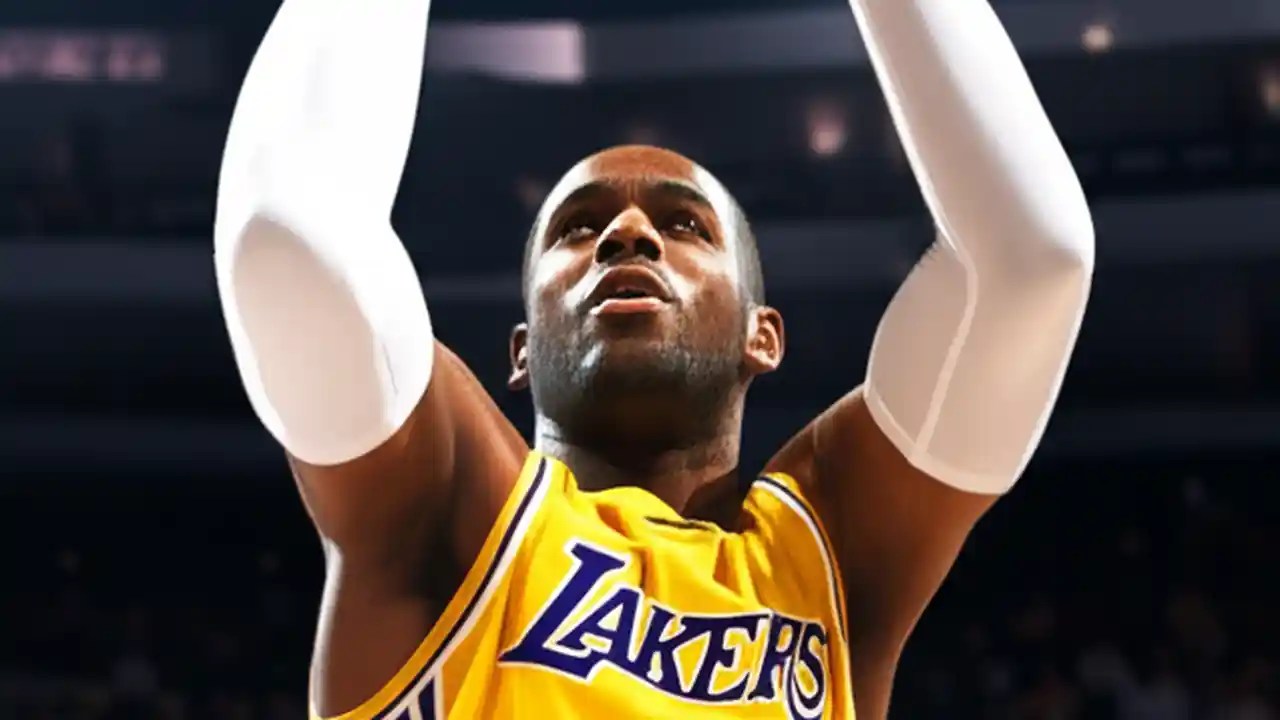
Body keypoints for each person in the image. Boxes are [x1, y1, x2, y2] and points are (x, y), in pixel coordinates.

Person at [213, 0, 1094, 718]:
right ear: (521, 351)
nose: (625, 234)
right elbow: (288, 242)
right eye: (578, 228)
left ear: (763, 334)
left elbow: (1030, 266)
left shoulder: (823, 555)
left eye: (683, 226)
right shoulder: (455, 514)